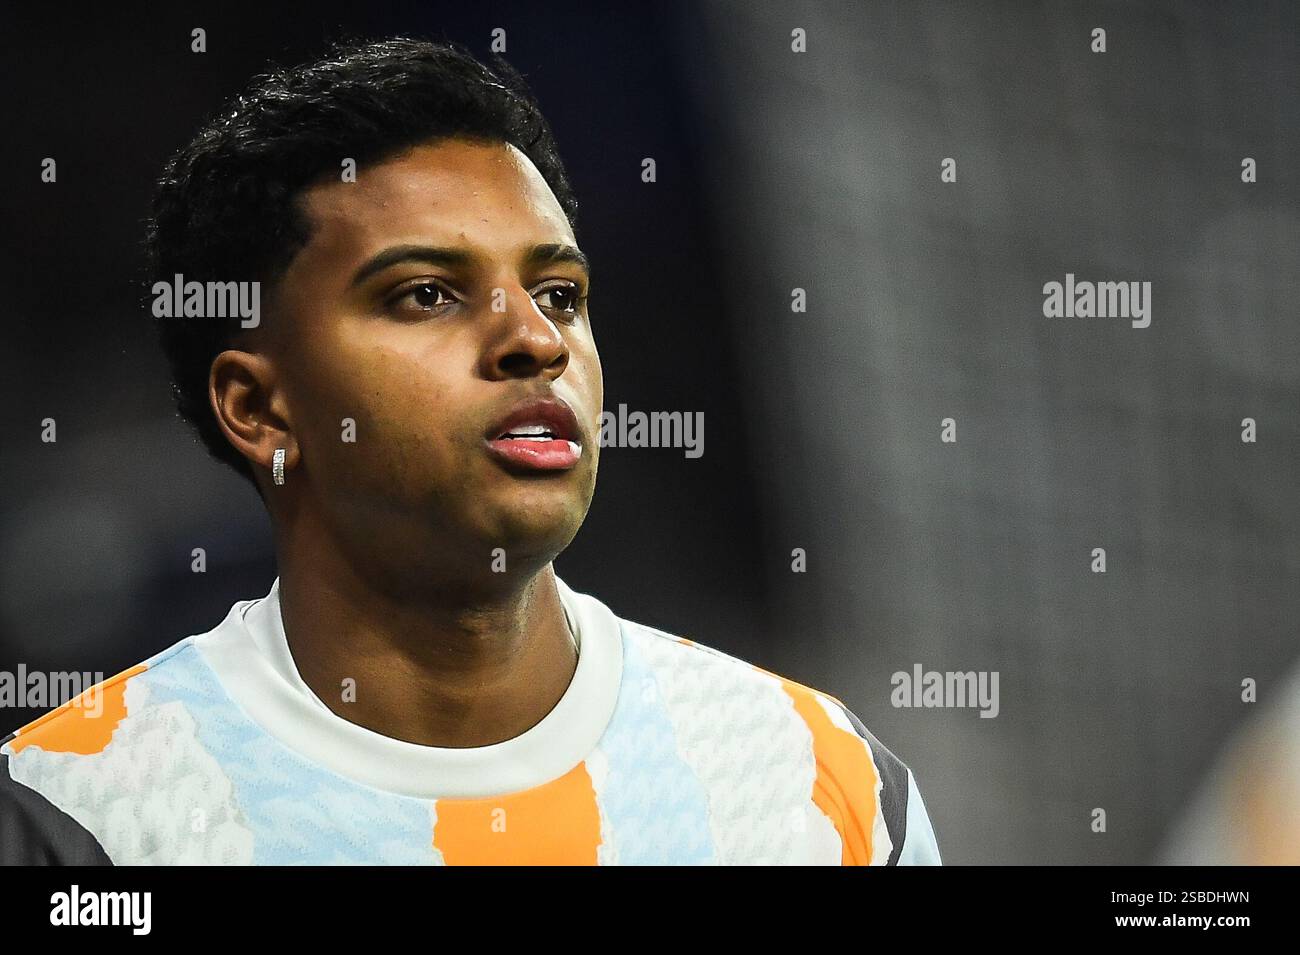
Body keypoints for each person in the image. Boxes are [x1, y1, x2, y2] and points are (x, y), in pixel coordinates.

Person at [0, 37, 940, 866]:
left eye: (561, 293)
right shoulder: (72, 814)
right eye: (425, 294)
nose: (535, 340)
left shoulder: (823, 788)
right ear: (259, 409)